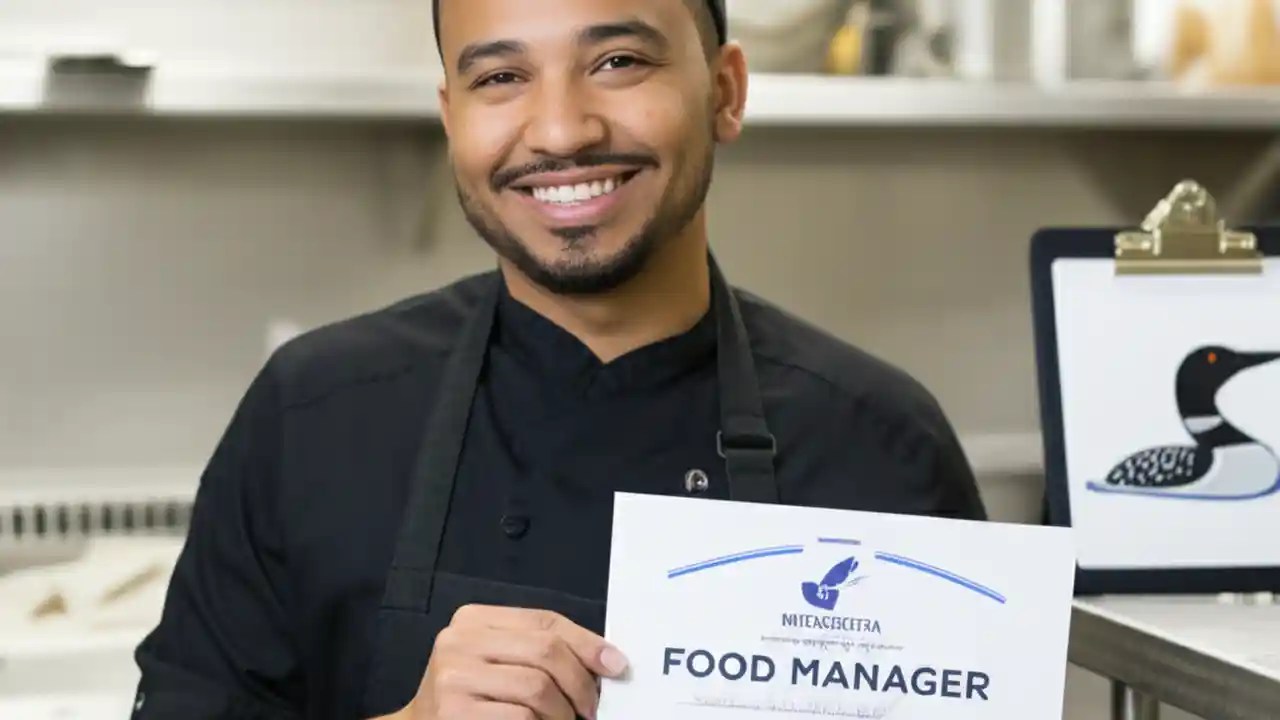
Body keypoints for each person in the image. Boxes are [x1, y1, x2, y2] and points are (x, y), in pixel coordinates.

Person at [130, 0, 987, 718]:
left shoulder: (883, 442)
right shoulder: (313, 412)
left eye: (617, 61)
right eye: (500, 78)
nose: (562, 131)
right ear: (451, 116)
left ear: (725, 93)